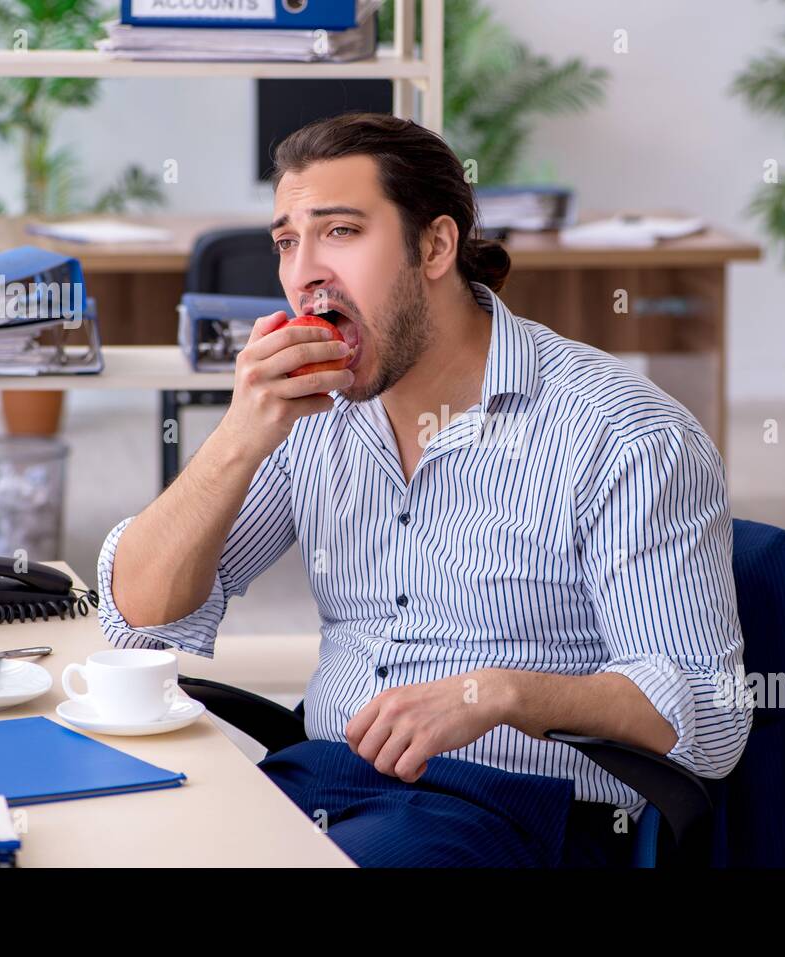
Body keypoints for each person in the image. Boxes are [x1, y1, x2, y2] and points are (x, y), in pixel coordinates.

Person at [96, 112, 751, 867]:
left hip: (515, 811)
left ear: (435, 245)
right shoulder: (311, 413)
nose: (305, 270)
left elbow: (716, 715)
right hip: (320, 783)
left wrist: (507, 693)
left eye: (339, 231)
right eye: (286, 241)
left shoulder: (623, 434)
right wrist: (240, 435)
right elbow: (137, 620)